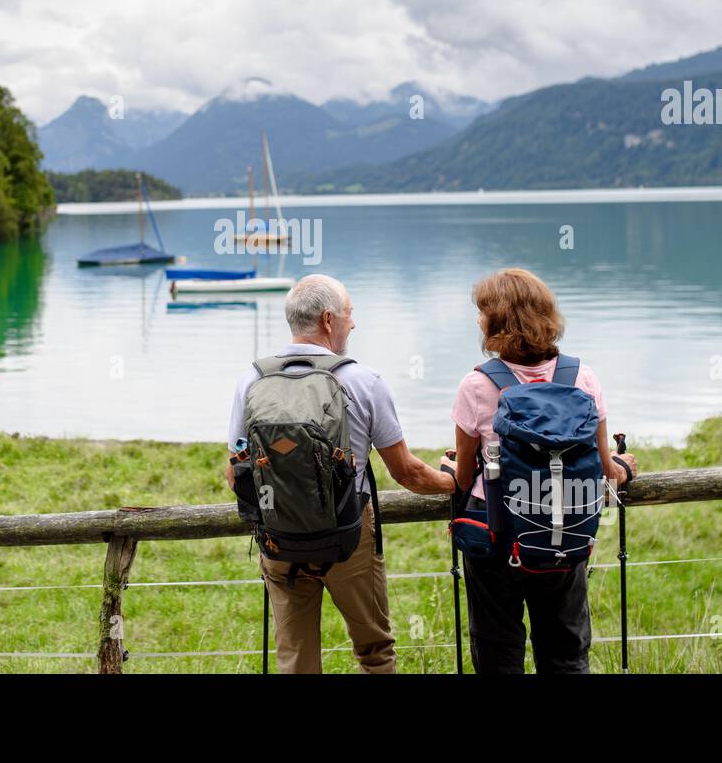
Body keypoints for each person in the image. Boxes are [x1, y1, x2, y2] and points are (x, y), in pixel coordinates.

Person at [226, 273, 456, 673]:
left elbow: (236, 473)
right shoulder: (363, 381)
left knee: (295, 658)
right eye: (350, 314)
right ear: (329, 320)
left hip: (279, 542)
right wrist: (454, 482)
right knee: (374, 650)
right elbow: (407, 473)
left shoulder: (252, 381)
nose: (354, 323)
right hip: (349, 540)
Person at [450, 267, 638, 673]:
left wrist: (453, 465)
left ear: (495, 321)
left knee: (498, 653)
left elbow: (465, 477)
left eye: (483, 313)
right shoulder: (581, 378)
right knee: (565, 654)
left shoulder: (477, 385)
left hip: (496, 536)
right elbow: (607, 469)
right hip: (563, 531)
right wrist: (622, 466)